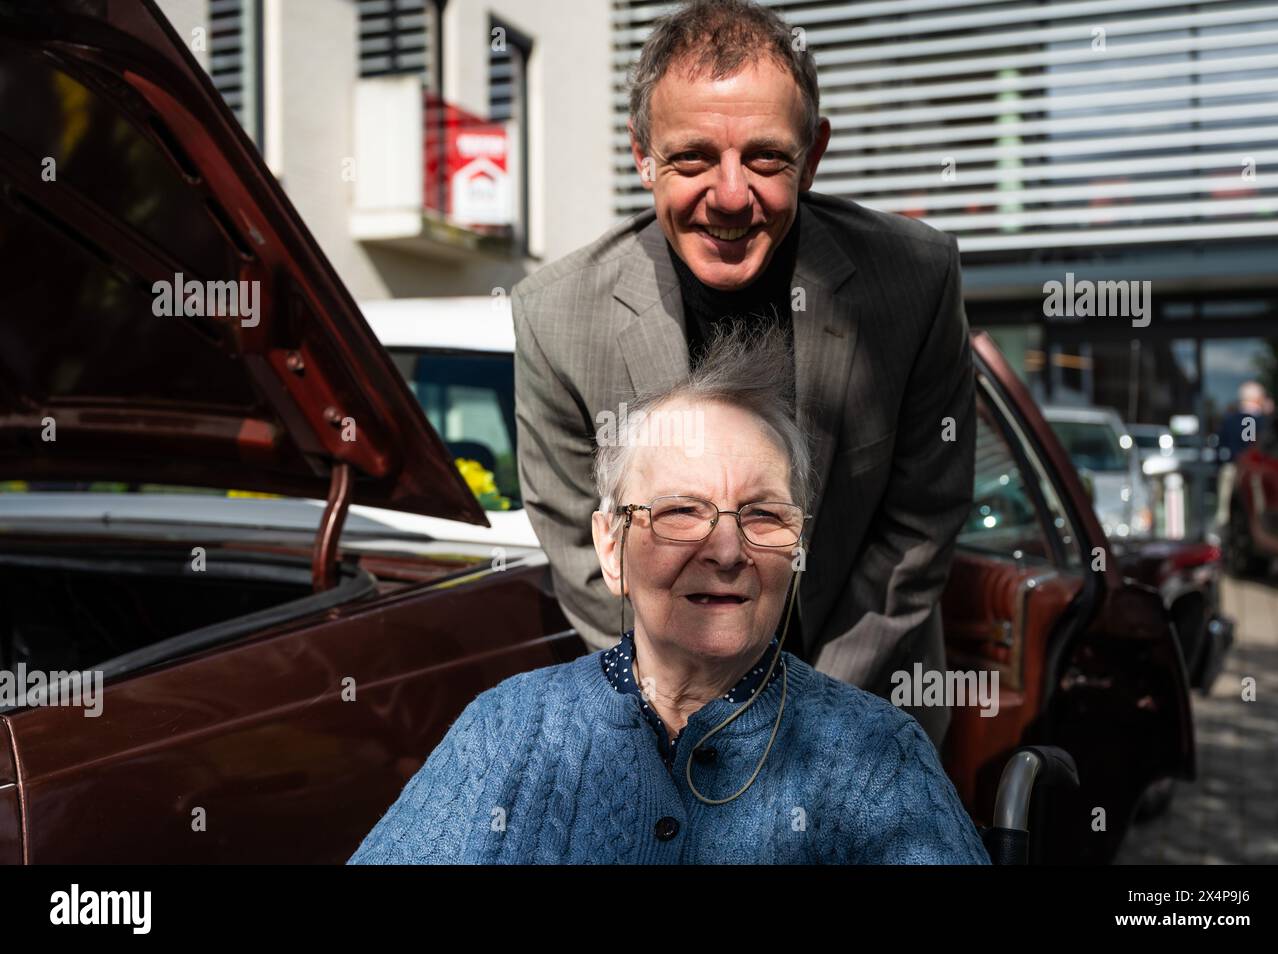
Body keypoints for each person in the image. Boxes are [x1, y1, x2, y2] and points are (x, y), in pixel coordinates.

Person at [348, 326, 990, 864]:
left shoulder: (877, 758)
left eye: (763, 515)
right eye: (681, 511)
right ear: (610, 546)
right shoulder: (511, 732)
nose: (728, 551)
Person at [510, 0, 974, 745]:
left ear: (814, 154)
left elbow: (919, 526)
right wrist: (695, 710)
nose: (730, 197)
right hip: (666, 728)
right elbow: (583, 553)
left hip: (865, 722)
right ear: (641, 153)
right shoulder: (555, 316)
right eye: (692, 158)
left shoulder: (914, 282)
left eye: (766, 159)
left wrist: (805, 712)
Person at [1214, 380, 1273, 530]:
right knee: (1258, 510)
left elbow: (1220, 447)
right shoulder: (1262, 421)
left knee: (1224, 509)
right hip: (1254, 471)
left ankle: (1222, 534)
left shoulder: (1229, 420)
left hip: (1231, 468)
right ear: (1258, 398)